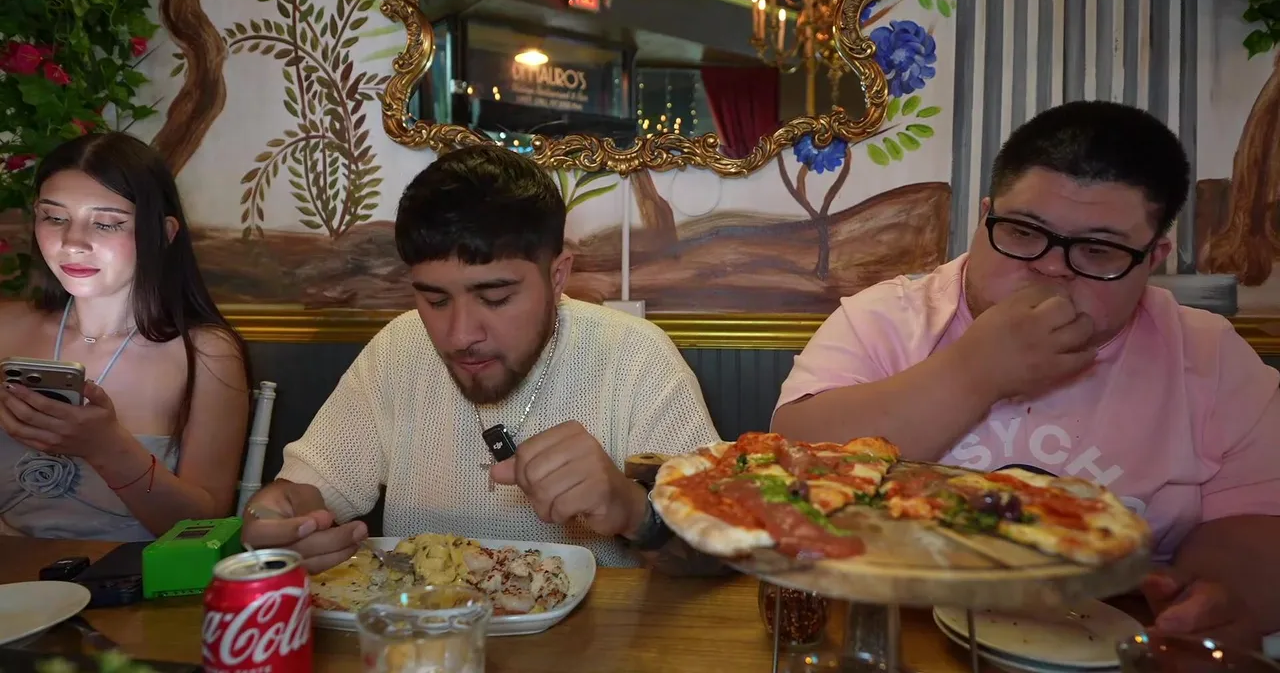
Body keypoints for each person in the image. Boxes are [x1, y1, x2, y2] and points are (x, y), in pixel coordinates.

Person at [772, 101, 1280, 647]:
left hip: (1111, 639)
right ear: (985, 217)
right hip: (891, 629)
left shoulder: (1209, 355)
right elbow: (787, 466)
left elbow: (1257, 519)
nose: (1051, 266)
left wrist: (1210, 598)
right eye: (1022, 232)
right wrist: (976, 372)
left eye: (1098, 249)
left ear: (1152, 258)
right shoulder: (882, 319)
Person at [241, 145, 725, 574]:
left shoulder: (636, 360)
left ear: (557, 276)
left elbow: (720, 551)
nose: (459, 336)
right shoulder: (399, 350)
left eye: (495, 298)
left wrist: (636, 512)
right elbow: (301, 493)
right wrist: (274, 518)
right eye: (435, 300)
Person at [0, 132, 252, 540]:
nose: (73, 243)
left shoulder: (206, 354)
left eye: (106, 223)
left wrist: (107, 447)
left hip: (134, 576)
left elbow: (202, 528)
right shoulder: (6, 326)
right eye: (55, 218)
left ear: (163, 233)